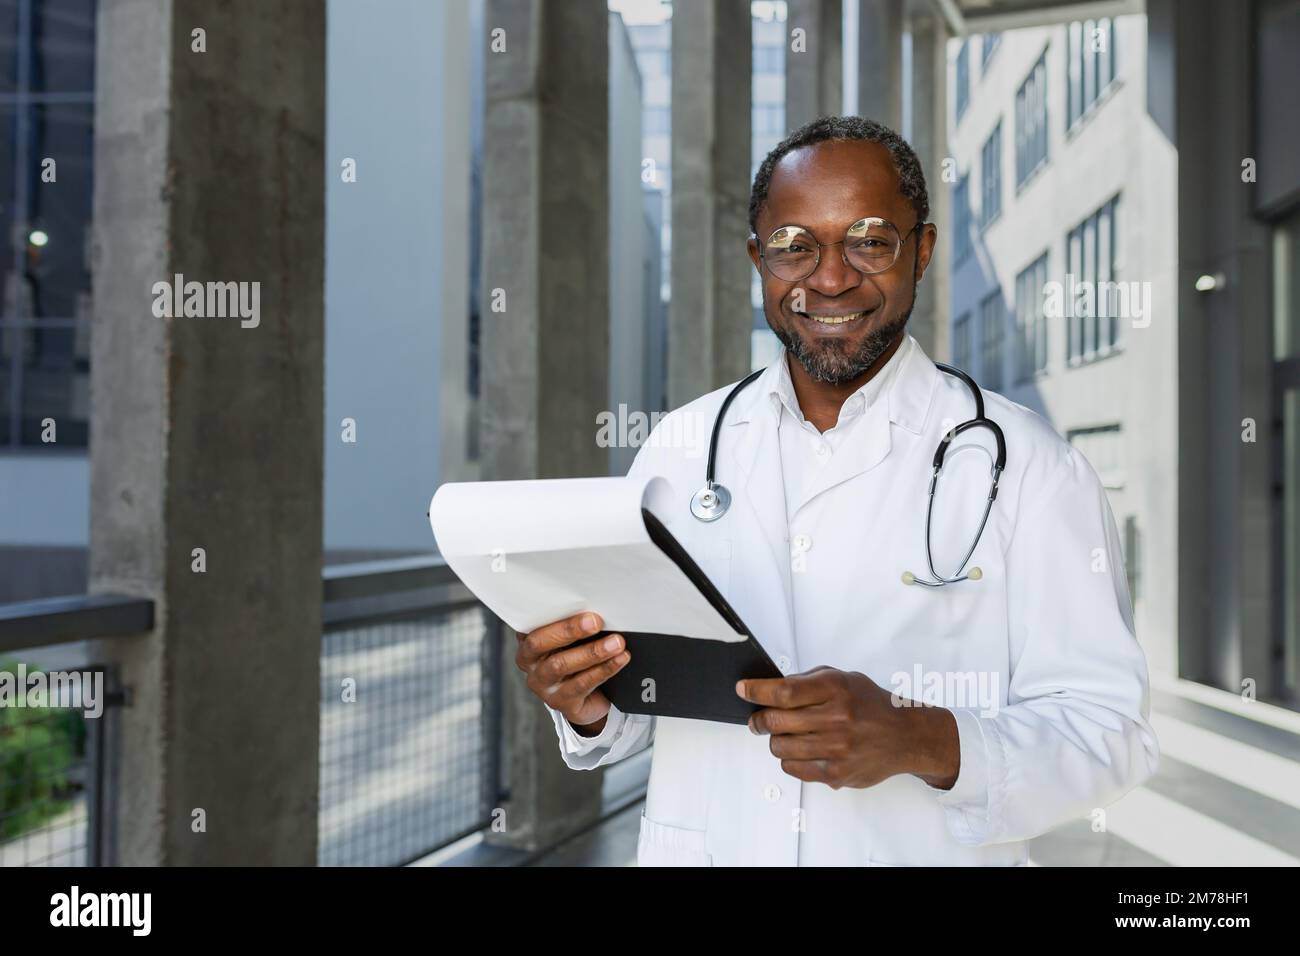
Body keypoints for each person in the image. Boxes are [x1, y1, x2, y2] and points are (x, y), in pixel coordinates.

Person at [514, 115, 1159, 866]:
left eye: (870, 239)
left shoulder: (1032, 466)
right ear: (758, 259)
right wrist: (585, 698)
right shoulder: (679, 449)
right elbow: (642, 709)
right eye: (794, 244)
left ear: (921, 250)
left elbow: (1111, 732)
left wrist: (924, 738)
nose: (829, 277)